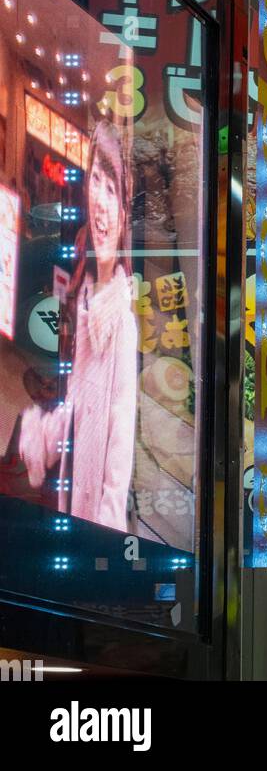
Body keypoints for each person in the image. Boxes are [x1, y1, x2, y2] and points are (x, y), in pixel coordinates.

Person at [19, 119, 137, 533]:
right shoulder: (87, 292)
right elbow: (78, 407)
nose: (102, 202)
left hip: (92, 530)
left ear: (125, 213)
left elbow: (118, 461)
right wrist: (43, 434)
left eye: (113, 189)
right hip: (70, 513)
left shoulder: (120, 321)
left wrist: (103, 540)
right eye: (97, 181)